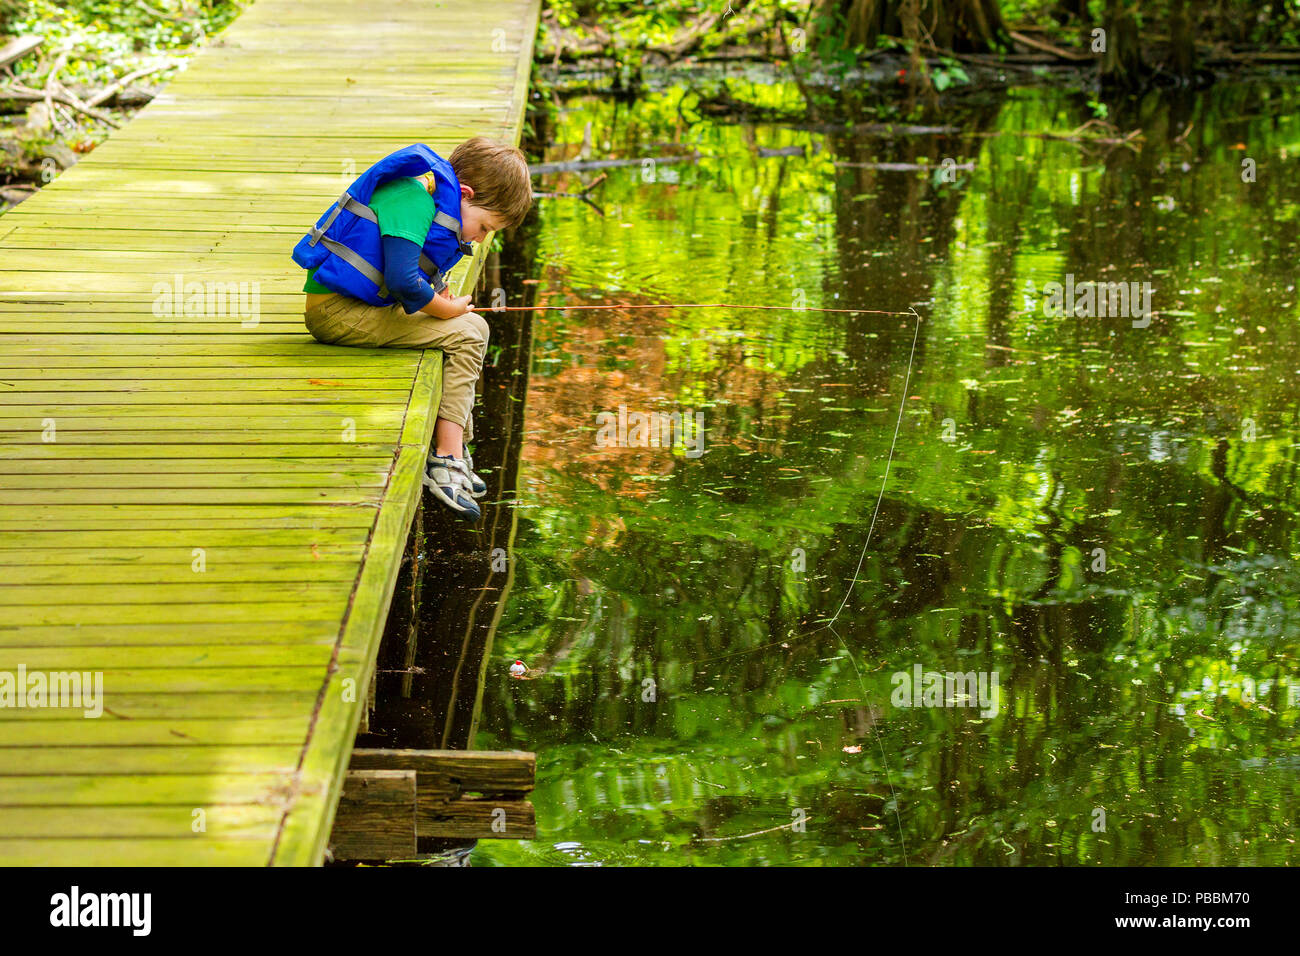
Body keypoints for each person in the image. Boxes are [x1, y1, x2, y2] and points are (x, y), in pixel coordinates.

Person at [293, 138, 532, 520]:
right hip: (338, 314)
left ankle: (455, 449)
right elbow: (403, 282)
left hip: (357, 309)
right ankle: (447, 459)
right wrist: (446, 308)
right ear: (465, 194)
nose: (481, 238)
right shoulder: (412, 200)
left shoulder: (427, 196)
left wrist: (439, 295)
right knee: (469, 332)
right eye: (485, 226)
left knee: (471, 328)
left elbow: (414, 272)